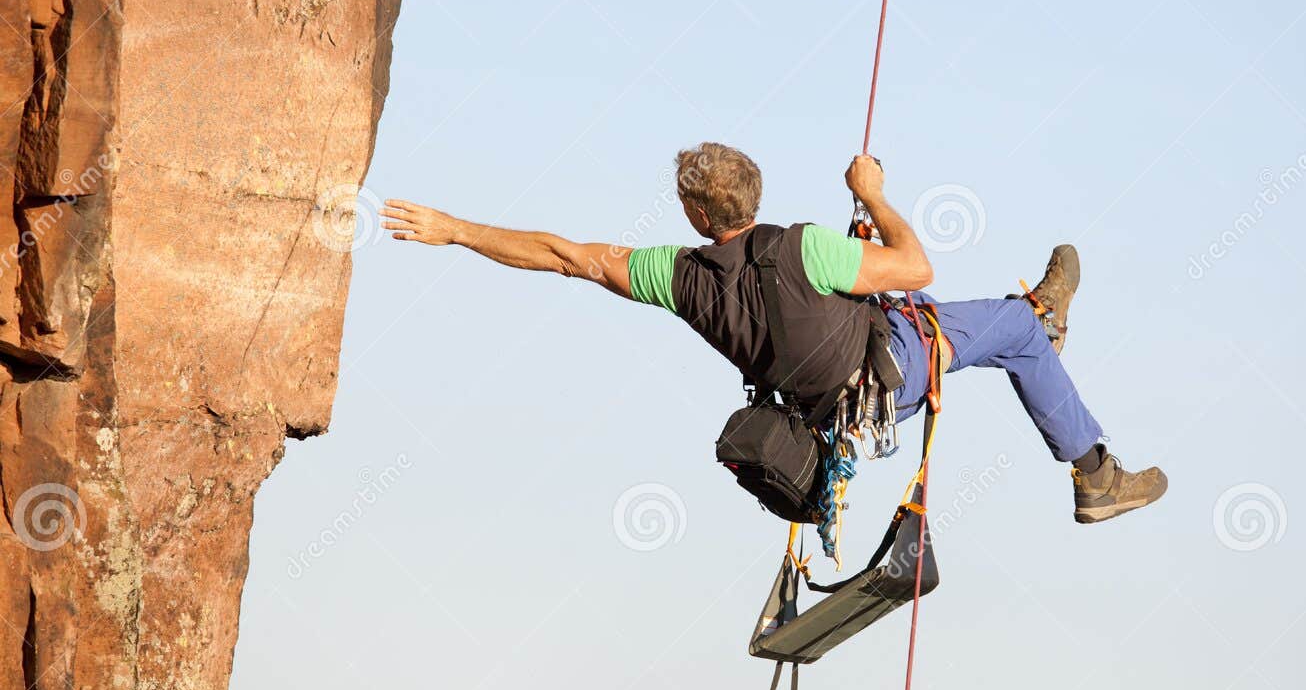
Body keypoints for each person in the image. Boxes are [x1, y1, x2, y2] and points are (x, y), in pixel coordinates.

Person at [382, 142, 1166, 523]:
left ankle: (1041, 330)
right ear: (754, 197)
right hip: (884, 375)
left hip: (823, 411)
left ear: (697, 215)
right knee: (1011, 326)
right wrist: (874, 194)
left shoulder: (678, 275)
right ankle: (1094, 472)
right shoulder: (806, 247)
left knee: (958, 317)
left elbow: (566, 257)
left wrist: (455, 229)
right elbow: (916, 263)